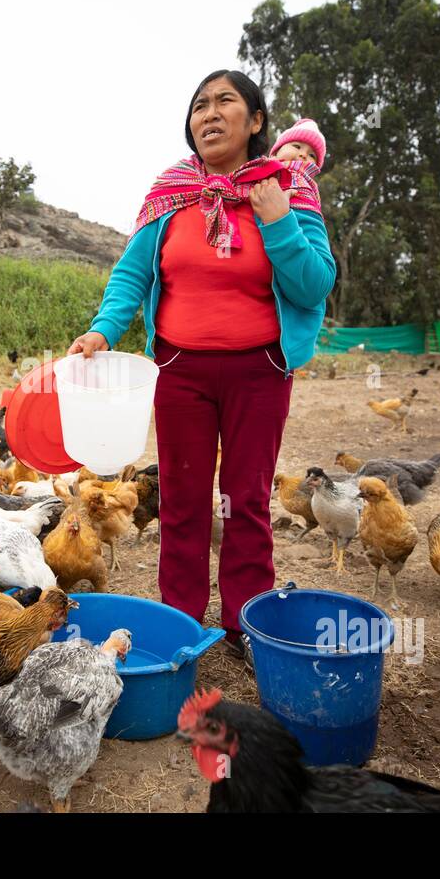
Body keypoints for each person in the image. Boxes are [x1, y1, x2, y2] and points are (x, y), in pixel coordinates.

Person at [67, 69, 336, 655]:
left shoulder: (285, 188)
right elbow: (133, 273)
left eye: (225, 102)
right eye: (199, 107)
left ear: (256, 121)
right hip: (179, 373)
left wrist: (277, 219)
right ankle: (182, 622)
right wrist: (102, 330)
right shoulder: (171, 192)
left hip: (259, 373)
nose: (208, 115)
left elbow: (315, 285)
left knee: (247, 500)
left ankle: (245, 624)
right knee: (184, 501)